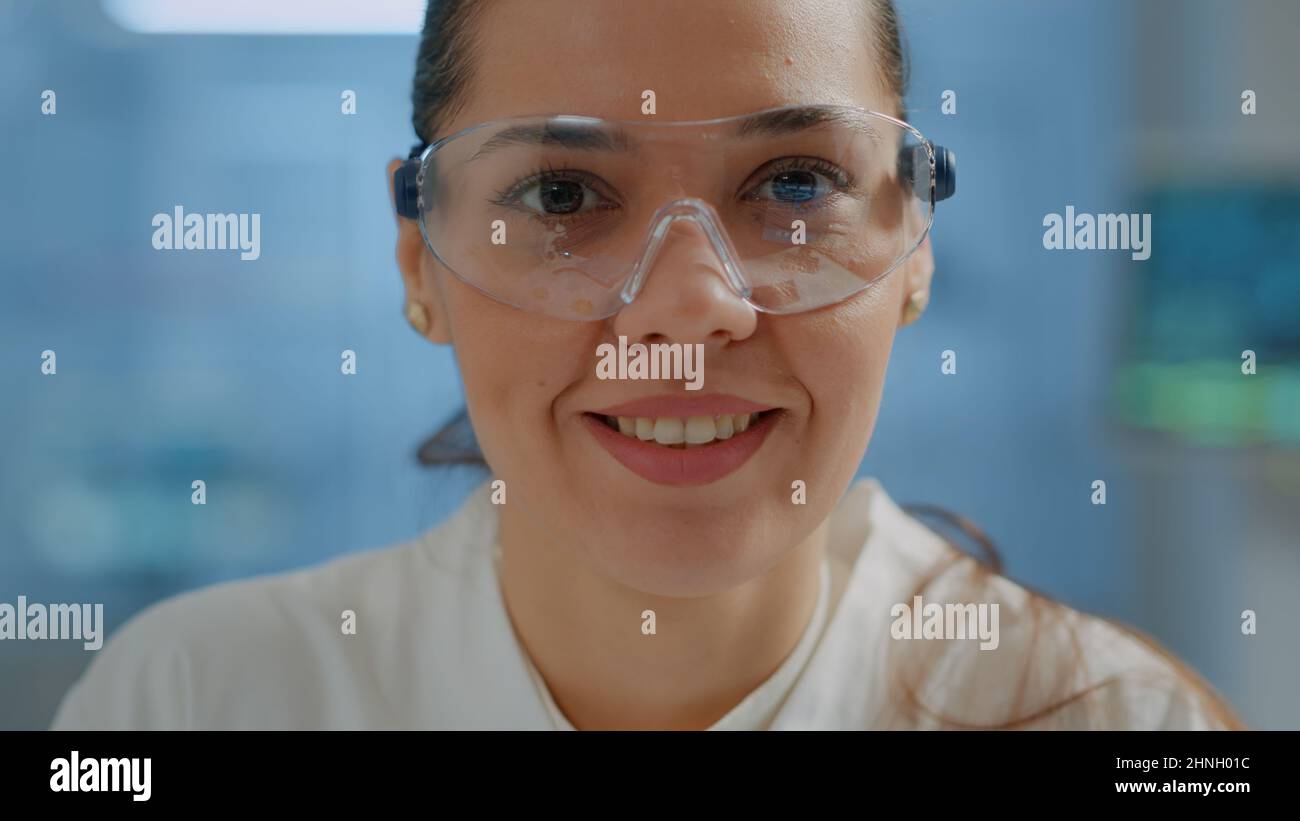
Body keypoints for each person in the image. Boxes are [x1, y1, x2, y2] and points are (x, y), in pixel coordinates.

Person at [51, 0, 1239, 731]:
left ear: (912, 246)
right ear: (420, 258)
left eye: (793, 185)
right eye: (562, 195)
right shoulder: (195, 701)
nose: (689, 309)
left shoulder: (1110, 723)